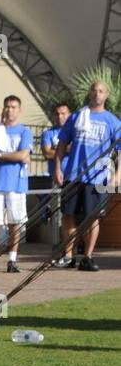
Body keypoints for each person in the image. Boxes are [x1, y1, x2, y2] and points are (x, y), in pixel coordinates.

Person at [53, 80, 120, 272]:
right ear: (89, 93)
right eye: (94, 90)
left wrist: (117, 174)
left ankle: (88, 257)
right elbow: (61, 145)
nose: (97, 94)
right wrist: (58, 168)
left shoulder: (112, 121)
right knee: (68, 215)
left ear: (106, 95)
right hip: (73, 175)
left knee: (93, 218)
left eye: (101, 91)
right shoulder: (77, 116)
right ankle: (68, 255)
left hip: (97, 177)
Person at [0, 96, 33, 273]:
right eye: (7, 107)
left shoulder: (25, 132)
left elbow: (23, 155)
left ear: (19, 110)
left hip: (17, 184)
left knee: (15, 222)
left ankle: (12, 259)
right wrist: (9, 155)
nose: (10, 110)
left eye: (13, 107)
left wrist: (0, 155)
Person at [41, 102, 69, 236]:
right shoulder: (48, 133)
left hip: (72, 177)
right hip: (55, 178)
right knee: (56, 213)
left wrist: (56, 150)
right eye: (57, 114)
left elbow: (76, 149)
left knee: (70, 213)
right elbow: (46, 153)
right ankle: (56, 244)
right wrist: (65, 149)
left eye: (63, 113)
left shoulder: (74, 133)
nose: (60, 116)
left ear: (69, 115)